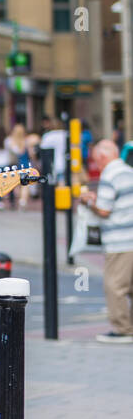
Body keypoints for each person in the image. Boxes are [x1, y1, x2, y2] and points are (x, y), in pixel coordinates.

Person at [80, 139, 133, 342]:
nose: (96, 165)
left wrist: (88, 201)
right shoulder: (128, 171)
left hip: (119, 241)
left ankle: (123, 330)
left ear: (102, 156)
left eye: (96, 160)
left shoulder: (110, 175)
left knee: (115, 286)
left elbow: (104, 209)